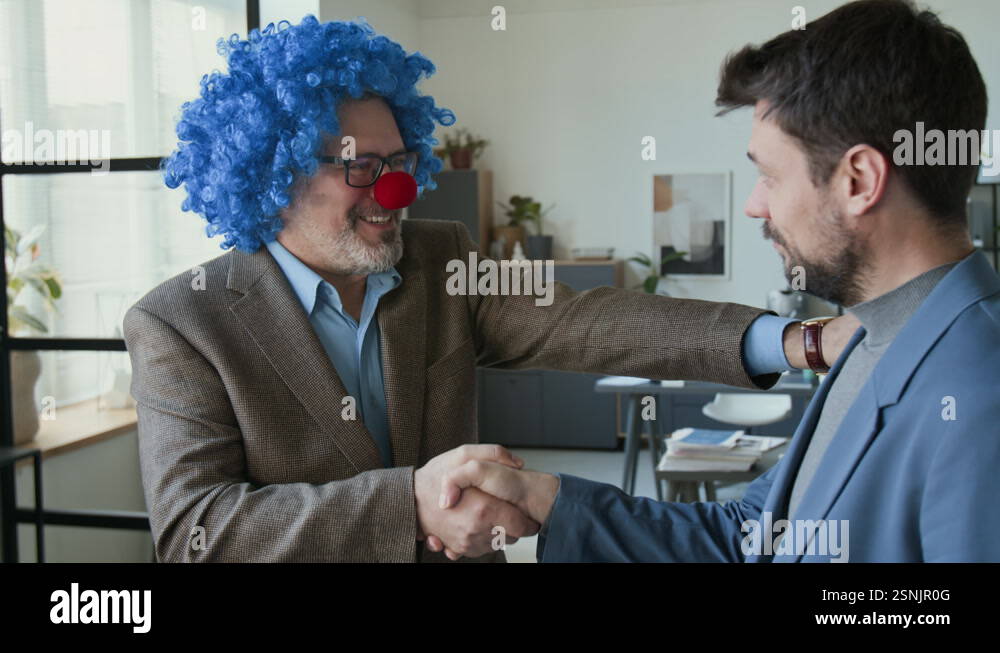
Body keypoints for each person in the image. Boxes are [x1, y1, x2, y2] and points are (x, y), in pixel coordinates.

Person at [123, 15, 855, 562]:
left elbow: (588, 321)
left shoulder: (437, 256)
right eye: (360, 167)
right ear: (273, 175)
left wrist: (792, 339)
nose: (397, 189)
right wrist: (409, 505)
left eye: (401, 159)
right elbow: (200, 530)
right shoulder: (182, 322)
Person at [437, 0, 1000, 562]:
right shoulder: (866, 341)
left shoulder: (980, 393)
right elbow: (751, 535)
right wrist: (549, 501)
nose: (755, 205)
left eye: (768, 175)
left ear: (858, 180)